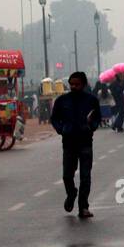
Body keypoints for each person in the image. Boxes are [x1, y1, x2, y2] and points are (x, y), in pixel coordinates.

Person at [50, 71, 101, 218]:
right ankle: (71, 193)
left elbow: (97, 117)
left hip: (85, 142)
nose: (74, 87)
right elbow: (54, 118)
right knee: (67, 175)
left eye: (77, 84)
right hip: (69, 142)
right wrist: (61, 130)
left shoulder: (91, 100)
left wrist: (91, 127)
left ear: (83, 85)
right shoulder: (62, 101)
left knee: (85, 176)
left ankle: (83, 206)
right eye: (71, 84)